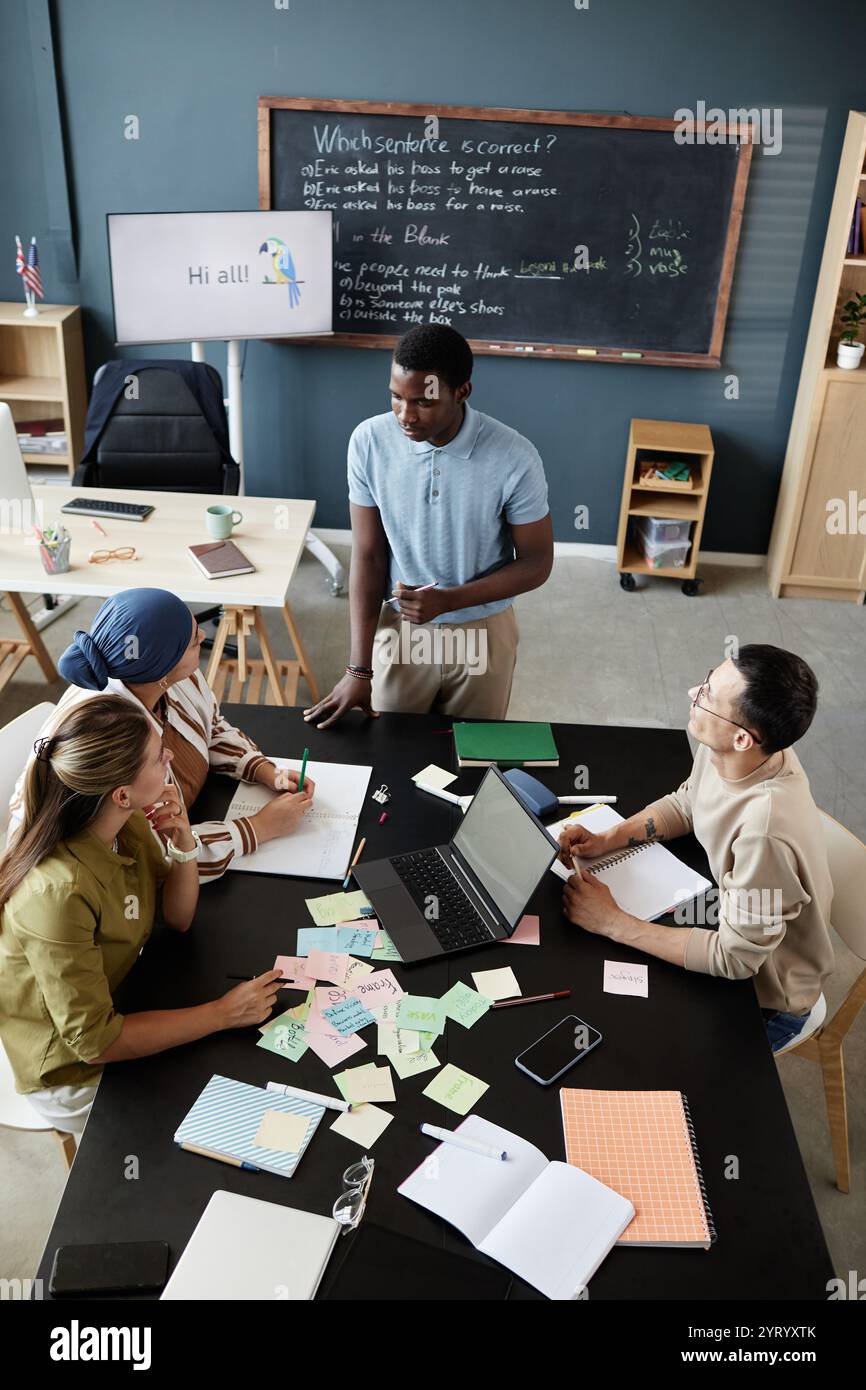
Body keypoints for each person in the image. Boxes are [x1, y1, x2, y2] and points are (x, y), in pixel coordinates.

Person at [0, 696, 283, 1138]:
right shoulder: (56, 895)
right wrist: (220, 1014)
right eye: (158, 756)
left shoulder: (122, 820)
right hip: (71, 1070)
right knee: (236, 1110)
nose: (170, 756)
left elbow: (178, 916)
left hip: (130, 990)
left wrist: (184, 839)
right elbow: (95, 1043)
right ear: (122, 791)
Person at [558, 646, 834, 1052]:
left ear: (742, 738)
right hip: (729, 920)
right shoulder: (737, 748)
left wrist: (612, 922)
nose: (692, 692)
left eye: (706, 695)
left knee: (636, 1049)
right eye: (706, 680)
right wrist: (609, 838)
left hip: (764, 1002)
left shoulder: (764, 832)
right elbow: (689, 802)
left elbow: (735, 960)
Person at [304, 324, 552, 727]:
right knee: (391, 752)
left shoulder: (514, 456)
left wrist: (449, 601)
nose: (405, 415)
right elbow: (368, 555)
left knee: (473, 755)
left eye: (423, 402)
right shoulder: (368, 442)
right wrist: (358, 669)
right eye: (396, 397)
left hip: (482, 632)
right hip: (404, 628)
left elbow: (538, 562)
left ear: (462, 392)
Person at [8, 587, 314, 881]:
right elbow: (155, 860)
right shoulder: (114, 740)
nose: (204, 637)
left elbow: (211, 725)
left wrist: (264, 770)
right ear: (164, 666)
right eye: (194, 641)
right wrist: (259, 827)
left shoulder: (166, 676)